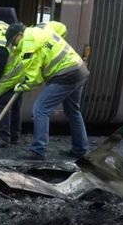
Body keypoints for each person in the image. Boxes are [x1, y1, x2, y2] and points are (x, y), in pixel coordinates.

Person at [6, 22, 89, 160]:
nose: (14, 46)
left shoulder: (28, 42)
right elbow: (62, 28)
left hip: (65, 74)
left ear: (20, 35)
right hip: (79, 69)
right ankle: (80, 149)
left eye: (14, 42)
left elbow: (33, 78)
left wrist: (23, 85)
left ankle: (38, 150)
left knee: (40, 109)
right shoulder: (42, 28)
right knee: (73, 111)